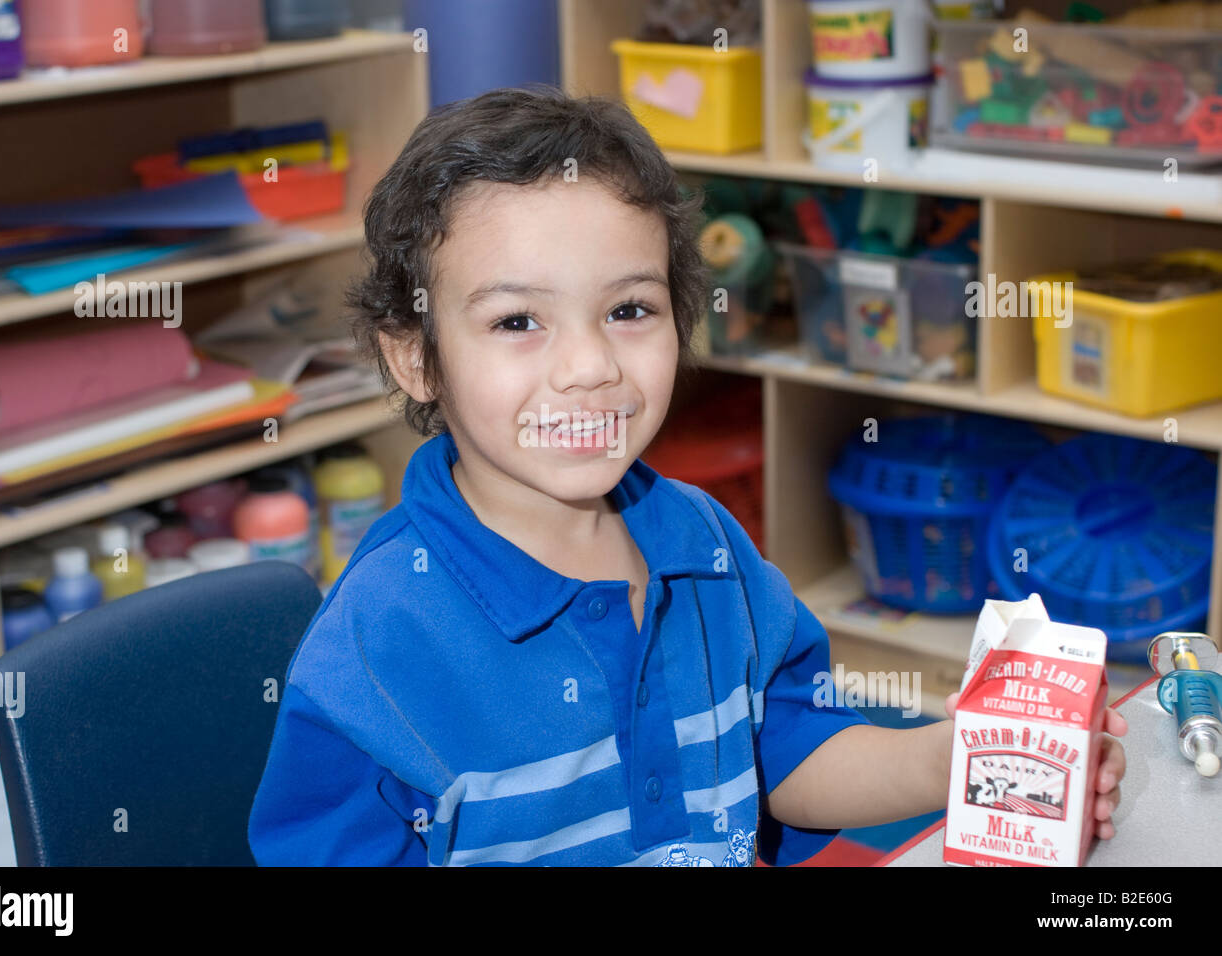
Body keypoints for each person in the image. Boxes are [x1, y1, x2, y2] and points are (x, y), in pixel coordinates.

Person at [247, 85, 1126, 866]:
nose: (591, 365)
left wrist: (951, 756)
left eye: (629, 309)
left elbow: (787, 751)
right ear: (416, 360)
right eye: (518, 321)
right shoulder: (378, 636)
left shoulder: (704, 543)